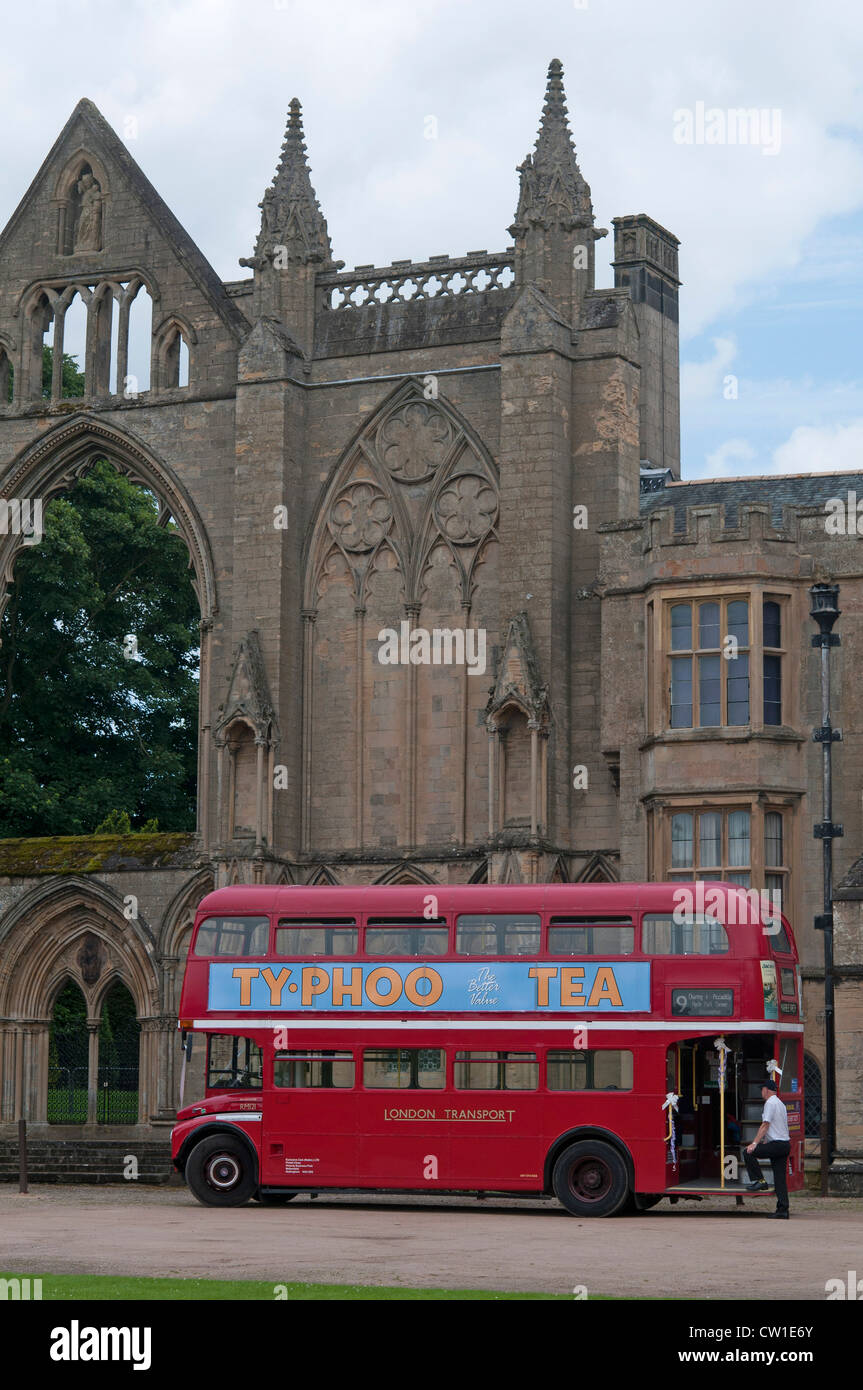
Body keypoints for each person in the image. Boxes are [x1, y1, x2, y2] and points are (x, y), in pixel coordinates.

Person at [743, 1079, 791, 1218]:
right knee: (780, 1179)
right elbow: (775, 1126)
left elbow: (765, 1125)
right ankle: (783, 1210)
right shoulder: (780, 1103)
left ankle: (761, 1181)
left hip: (776, 1144)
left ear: (767, 1090)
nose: (761, 1092)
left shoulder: (770, 1103)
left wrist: (754, 1143)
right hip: (784, 1144)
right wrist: (765, 1141)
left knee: (747, 1152)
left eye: (762, 1089)